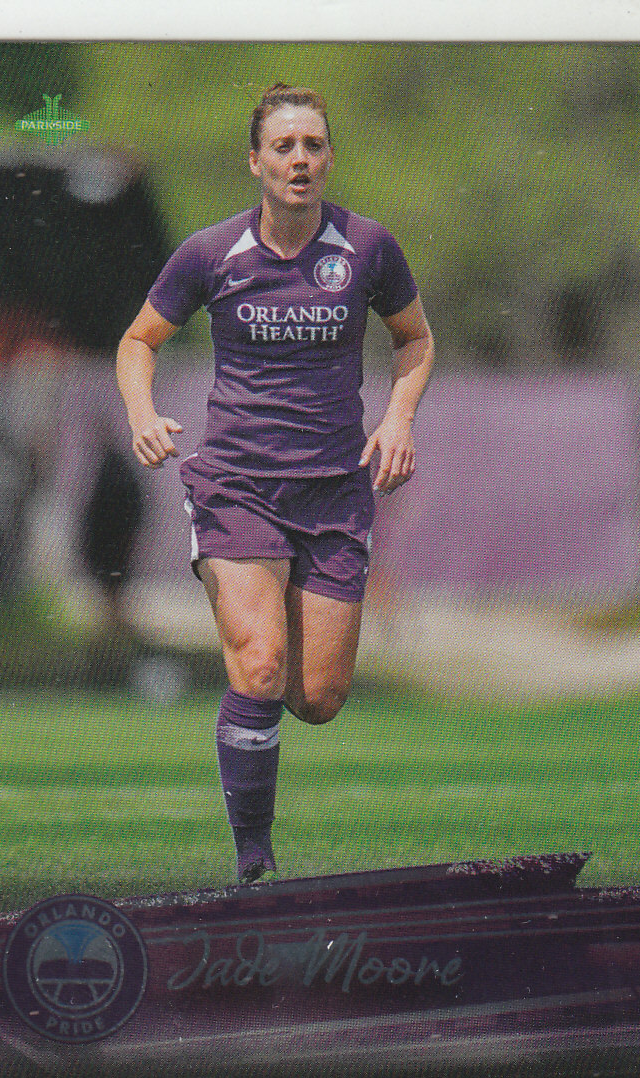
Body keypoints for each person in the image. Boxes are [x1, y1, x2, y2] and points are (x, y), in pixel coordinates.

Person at [117, 83, 434, 885]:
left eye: (313, 145)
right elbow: (139, 341)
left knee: (318, 696)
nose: (300, 159)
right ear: (254, 161)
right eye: (284, 146)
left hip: (332, 492)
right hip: (239, 486)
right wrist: (142, 414)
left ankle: (254, 716)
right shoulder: (210, 253)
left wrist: (398, 419)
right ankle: (253, 857)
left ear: (329, 158)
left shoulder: (367, 248)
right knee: (260, 663)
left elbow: (415, 339)